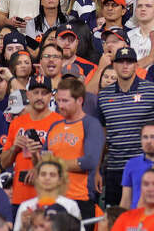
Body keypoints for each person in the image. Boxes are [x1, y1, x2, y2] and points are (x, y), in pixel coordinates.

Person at [94, 46, 154, 206]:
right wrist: (96, 170)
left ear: (136, 65)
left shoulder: (152, 90)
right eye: (120, 62)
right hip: (115, 166)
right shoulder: (103, 96)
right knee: (116, 216)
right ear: (114, 66)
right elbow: (101, 135)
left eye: (129, 62)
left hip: (145, 166)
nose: (125, 66)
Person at [43, 77, 104, 218]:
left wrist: (55, 164)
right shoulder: (54, 126)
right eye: (58, 100)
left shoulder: (90, 124)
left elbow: (89, 161)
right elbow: (44, 158)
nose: (60, 105)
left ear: (80, 101)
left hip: (79, 198)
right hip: (52, 196)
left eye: (65, 101)